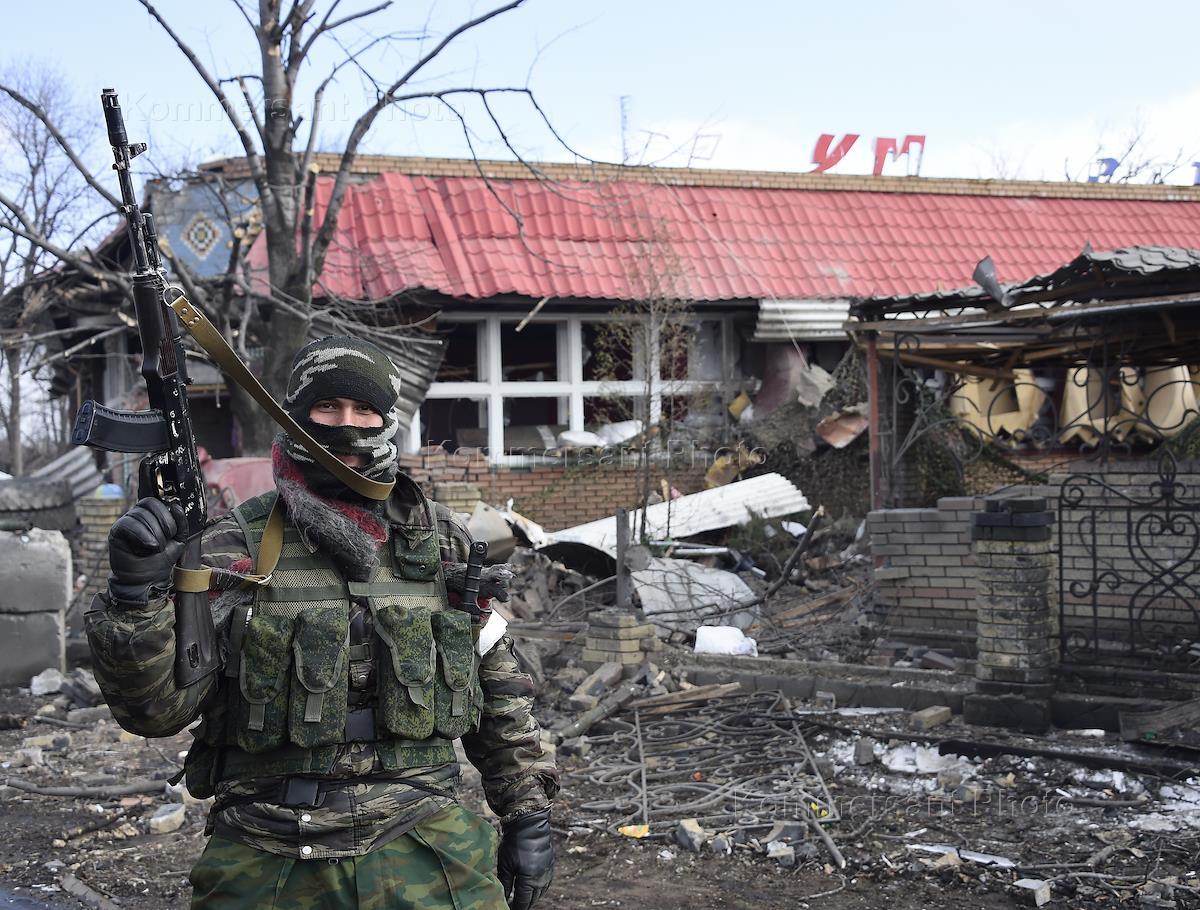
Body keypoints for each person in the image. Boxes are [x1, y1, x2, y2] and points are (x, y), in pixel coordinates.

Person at [86, 337, 558, 910]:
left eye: (365, 410)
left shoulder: (443, 544)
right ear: (295, 415)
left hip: (426, 841)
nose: (347, 426)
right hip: (268, 849)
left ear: (389, 420)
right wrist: (135, 593)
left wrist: (527, 814)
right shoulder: (232, 549)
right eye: (326, 407)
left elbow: (500, 691)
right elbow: (155, 712)